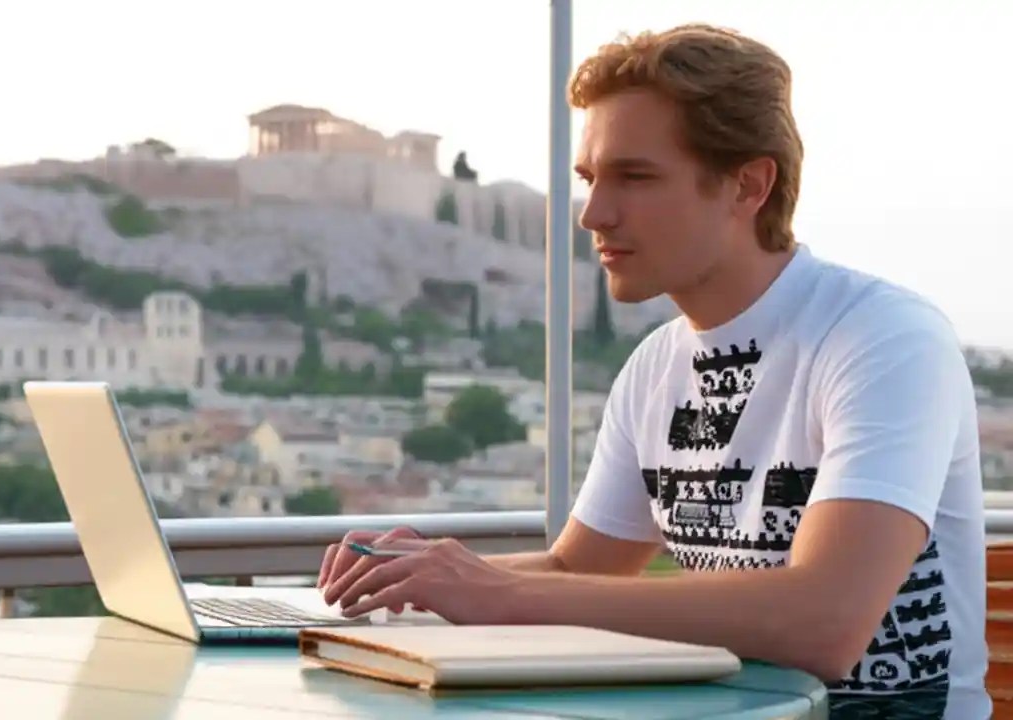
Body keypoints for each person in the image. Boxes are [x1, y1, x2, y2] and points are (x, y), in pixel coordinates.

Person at [316, 23, 988, 719]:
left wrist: (498, 593)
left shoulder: (884, 338)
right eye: (589, 180)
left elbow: (825, 621)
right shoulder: (656, 366)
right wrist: (414, 576)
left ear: (749, 185)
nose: (594, 215)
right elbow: (579, 570)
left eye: (634, 177)